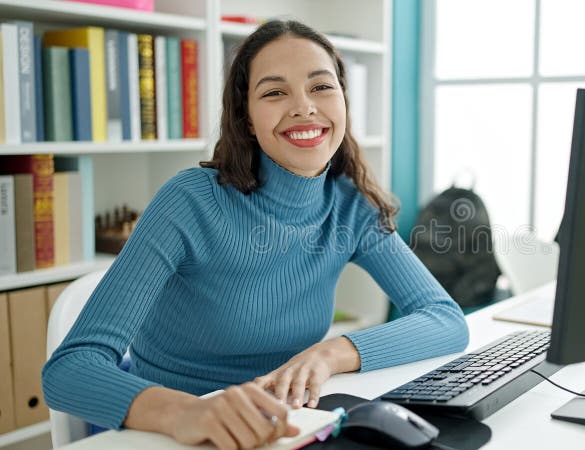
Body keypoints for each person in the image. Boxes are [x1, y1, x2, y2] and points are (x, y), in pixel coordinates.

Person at [42, 20, 469, 450]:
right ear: (246, 119)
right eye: (275, 92)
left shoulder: (349, 204)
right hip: (174, 432)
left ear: (343, 101)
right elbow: (70, 370)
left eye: (321, 87)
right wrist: (186, 412)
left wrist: (328, 353)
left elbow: (444, 319)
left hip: (283, 425)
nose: (304, 107)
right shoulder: (188, 201)